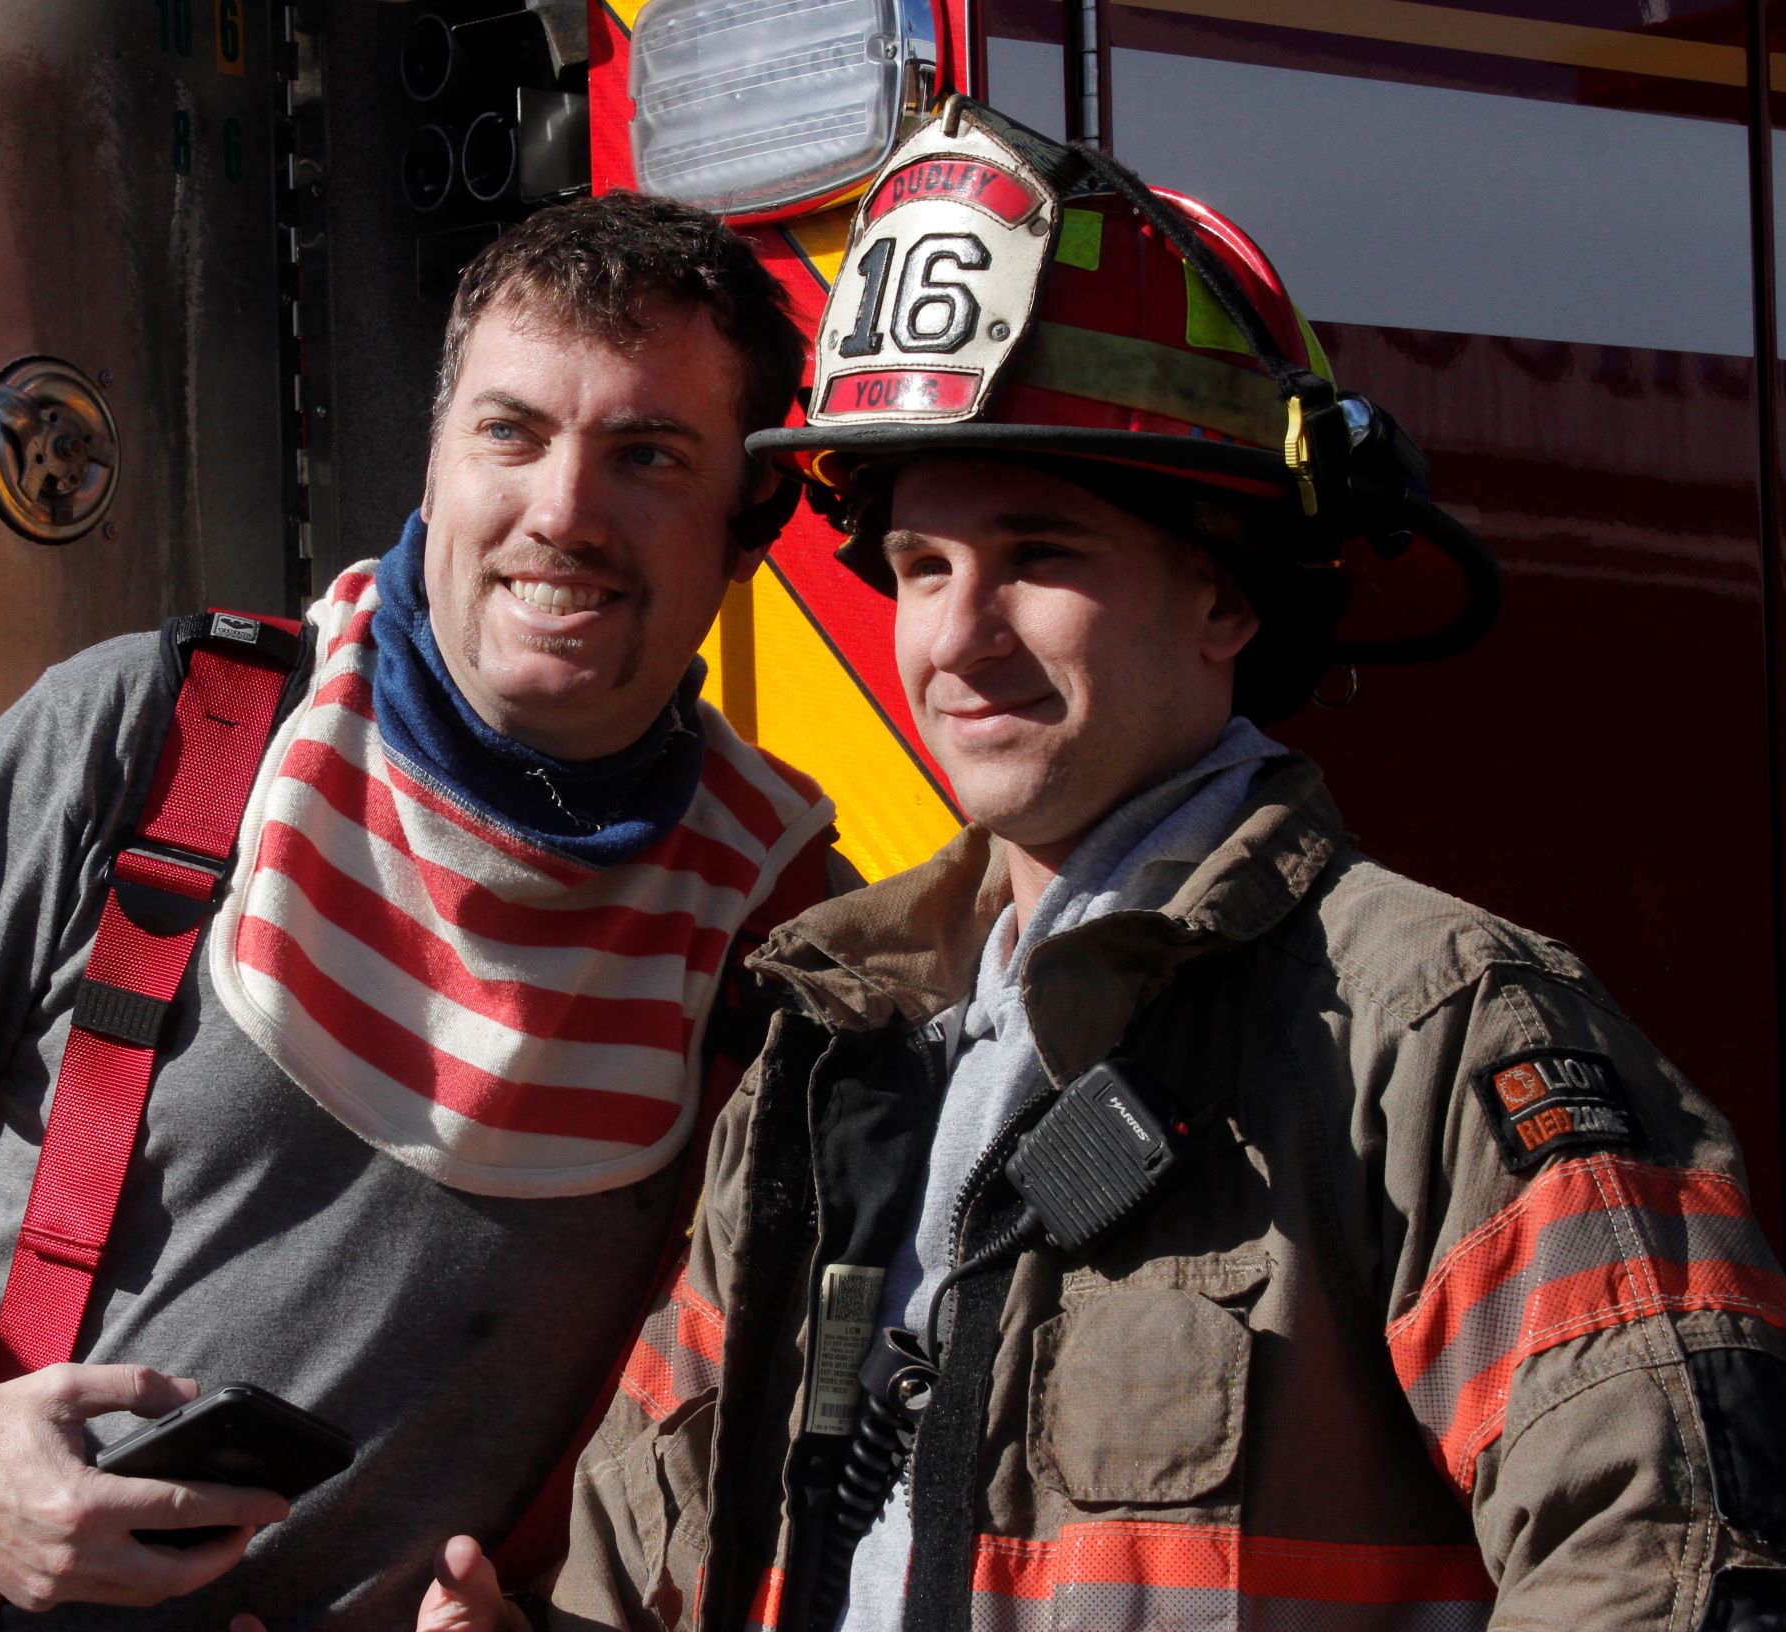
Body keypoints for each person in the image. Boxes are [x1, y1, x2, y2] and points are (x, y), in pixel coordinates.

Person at [419, 100, 1786, 1632]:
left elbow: (1664, 1575)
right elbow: (636, 1570)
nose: (957, 636)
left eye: (1040, 556)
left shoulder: (1439, 1033)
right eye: (922, 566)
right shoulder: (832, 1061)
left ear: (1224, 599)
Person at [0, 191, 850, 1632]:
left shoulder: (788, 939)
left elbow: (749, 1454)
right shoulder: (161, 739)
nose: (561, 513)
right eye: (510, 433)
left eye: (647, 455)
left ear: (748, 524)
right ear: (435, 460)